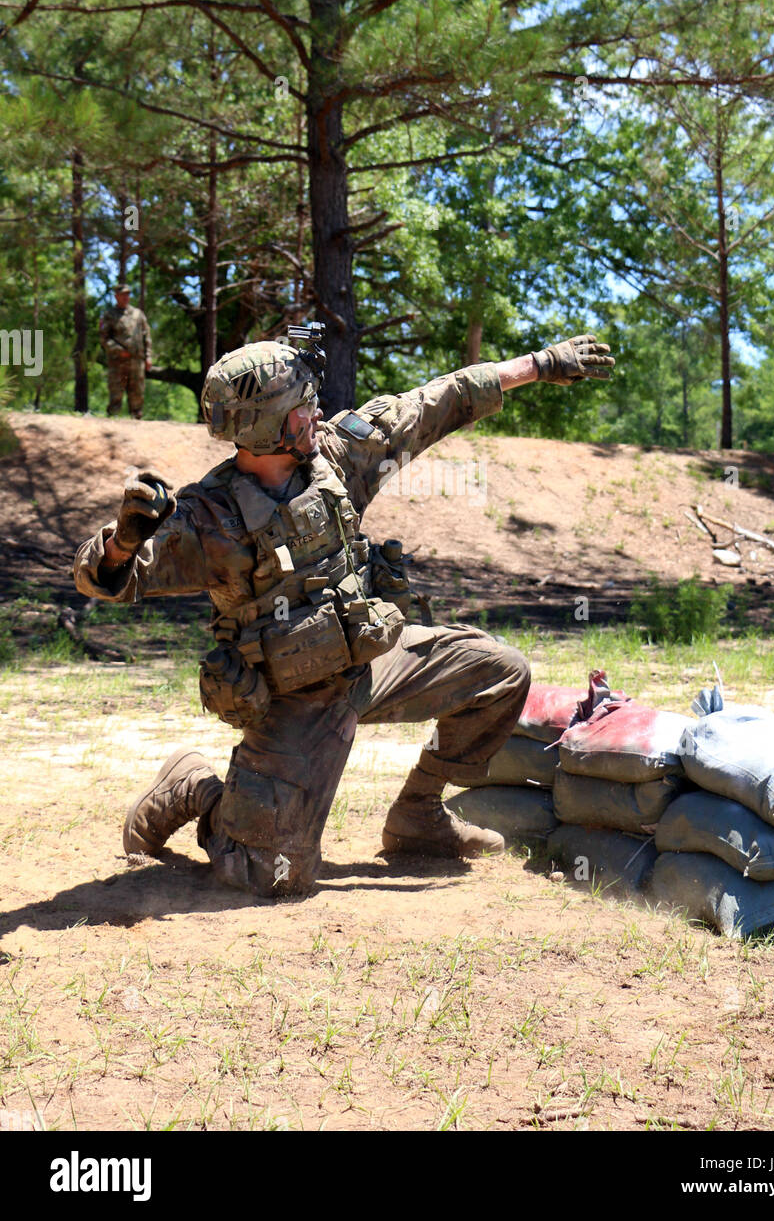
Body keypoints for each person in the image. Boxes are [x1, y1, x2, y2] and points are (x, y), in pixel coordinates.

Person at [73, 331, 614, 898]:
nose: (317, 413)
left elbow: (441, 400)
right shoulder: (208, 519)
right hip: (293, 703)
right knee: (268, 877)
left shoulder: (340, 455)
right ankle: (196, 790)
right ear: (266, 425)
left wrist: (540, 364)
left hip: (370, 665)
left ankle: (418, 815)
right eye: (304, 406)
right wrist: (121, 542)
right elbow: (103, 581)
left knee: (500, 671)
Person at [99, 283, 153, 419]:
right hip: (118, 362)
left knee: (137, 393)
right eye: (122, 294)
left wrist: (148, 357)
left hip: (137, 361)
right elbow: (104, 339)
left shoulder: (138, 314)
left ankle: (136, 419)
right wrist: (118, 350)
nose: (126, 297)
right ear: (116, 296)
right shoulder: (109, 315)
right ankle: (113, 420)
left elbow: (146, 336)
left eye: (128, 294)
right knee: (116, 393)